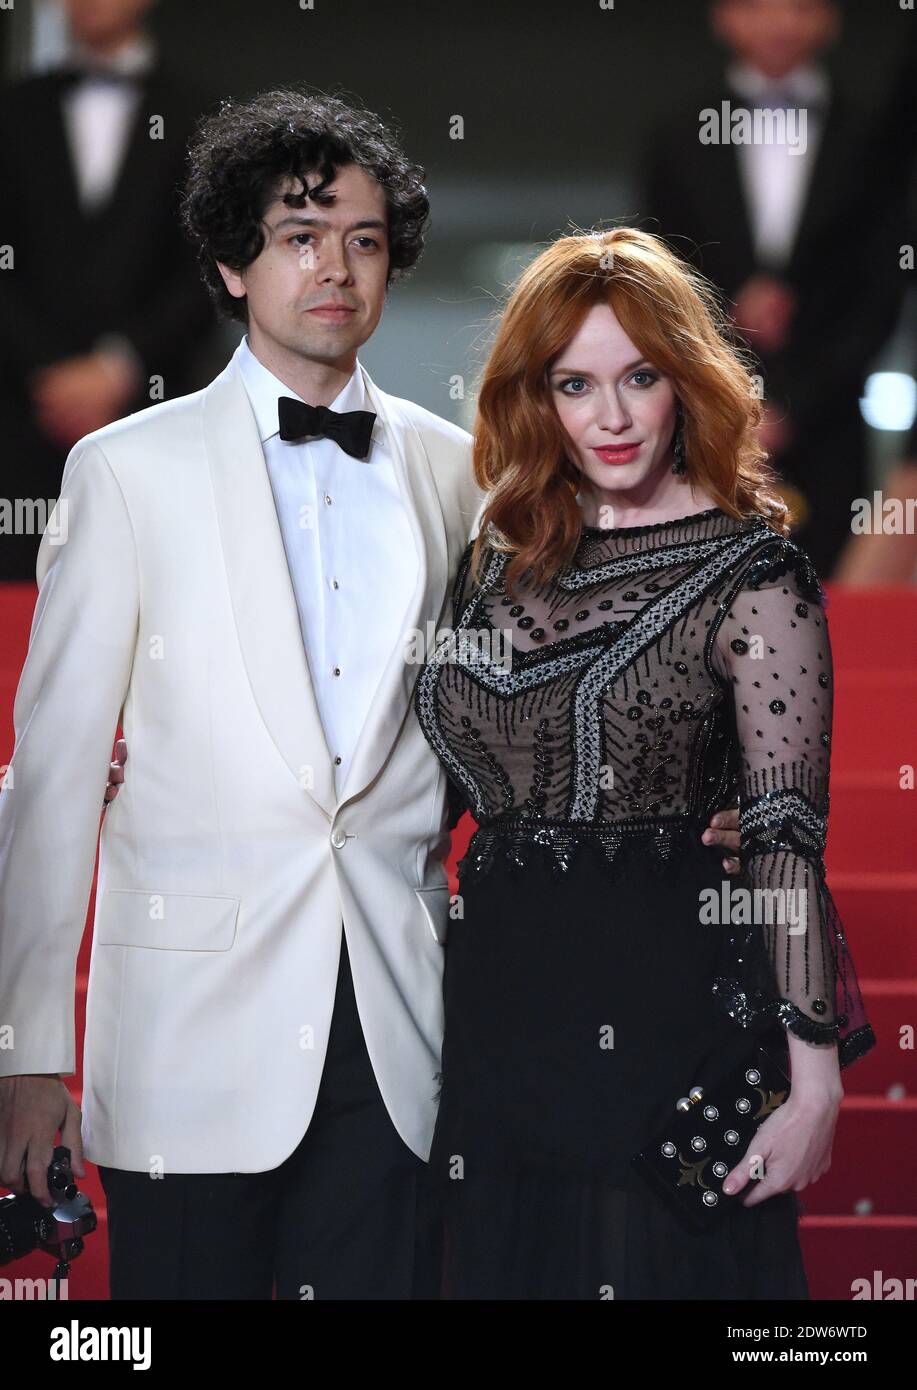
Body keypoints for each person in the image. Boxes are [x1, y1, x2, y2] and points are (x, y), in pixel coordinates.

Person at [0, 83, 751, 1300]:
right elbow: (53, 781)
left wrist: (697, 791)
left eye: (360, 240)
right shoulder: (124, 471)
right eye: (298, 237)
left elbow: (557, 687)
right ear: (233, 266)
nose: (334, 269)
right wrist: (26, 1051)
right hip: (185, 1041)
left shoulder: (465, 476)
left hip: (401, 1029)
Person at [411, 225, 877, 1300]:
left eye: (638, 378)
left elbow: (781, 841)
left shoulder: (753, 572)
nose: (608, 417)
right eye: (573, 383)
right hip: (488, 1017)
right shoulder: (490, 558)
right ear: (537, 396)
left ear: (684, 383)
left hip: (667, 1017)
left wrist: (812, 1083)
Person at [642, 0, 905, 579]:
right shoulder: (676, 134)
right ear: (723, 16)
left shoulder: (873, 140)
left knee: (839, 618)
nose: (781, 21)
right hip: (705, 422)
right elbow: (657, 278)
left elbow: (884, 287)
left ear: (831, 18)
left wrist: (793, 402)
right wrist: (732, 398)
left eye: (801, 5)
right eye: (759, 6)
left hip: (832, 426)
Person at [0, 0, 215, 581]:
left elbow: (210, 266)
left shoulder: (200, 114)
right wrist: (46, 373)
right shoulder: (13, 110)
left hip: (157, 410)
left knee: (153, 598)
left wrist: (121, 366)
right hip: (20, 429)